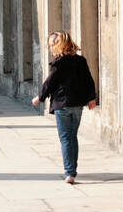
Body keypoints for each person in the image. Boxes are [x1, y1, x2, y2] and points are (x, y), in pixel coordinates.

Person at [31, 31, 96, 184]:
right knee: (72, 137)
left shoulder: (58, 63)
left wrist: (39, 97)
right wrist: (91, 98)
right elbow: (89, 81)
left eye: (52, 45)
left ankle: (69, 173)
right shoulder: (81, 61)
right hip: (77, 104)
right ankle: (72, 170)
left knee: (66, 138)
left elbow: (49, 82)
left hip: (62, 105)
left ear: (60, 45)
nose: (51, 49)